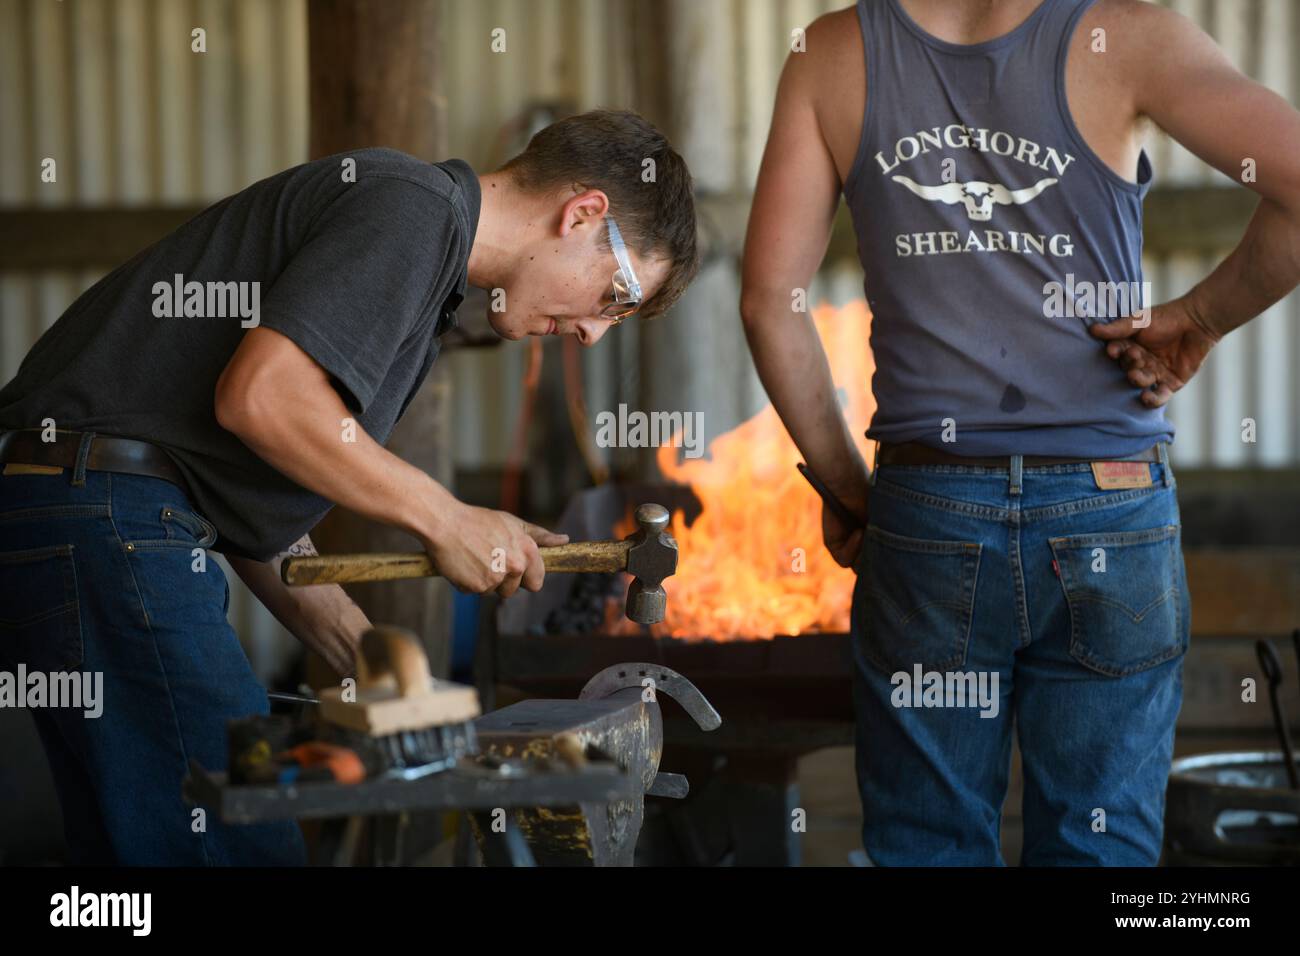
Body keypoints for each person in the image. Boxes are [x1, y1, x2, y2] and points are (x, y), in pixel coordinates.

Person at [0, 109, 699, 865]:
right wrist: (447, 518)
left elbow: (244, 504)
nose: (596, 331)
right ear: (582, 213)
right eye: (617, 297)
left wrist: (366, 651)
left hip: (95, 508)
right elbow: (262, 400)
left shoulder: (424, 261)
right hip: (109, 509)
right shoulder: (415, 209)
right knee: (242, 843)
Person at [741, 0, 1300, 864]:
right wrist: (1198, 317)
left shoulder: (831, 53)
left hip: (929, 508)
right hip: (1108, 500)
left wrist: (855, 491)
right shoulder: (1129, 37)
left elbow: (768, 304)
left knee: (927, 844)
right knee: (1100, 846)